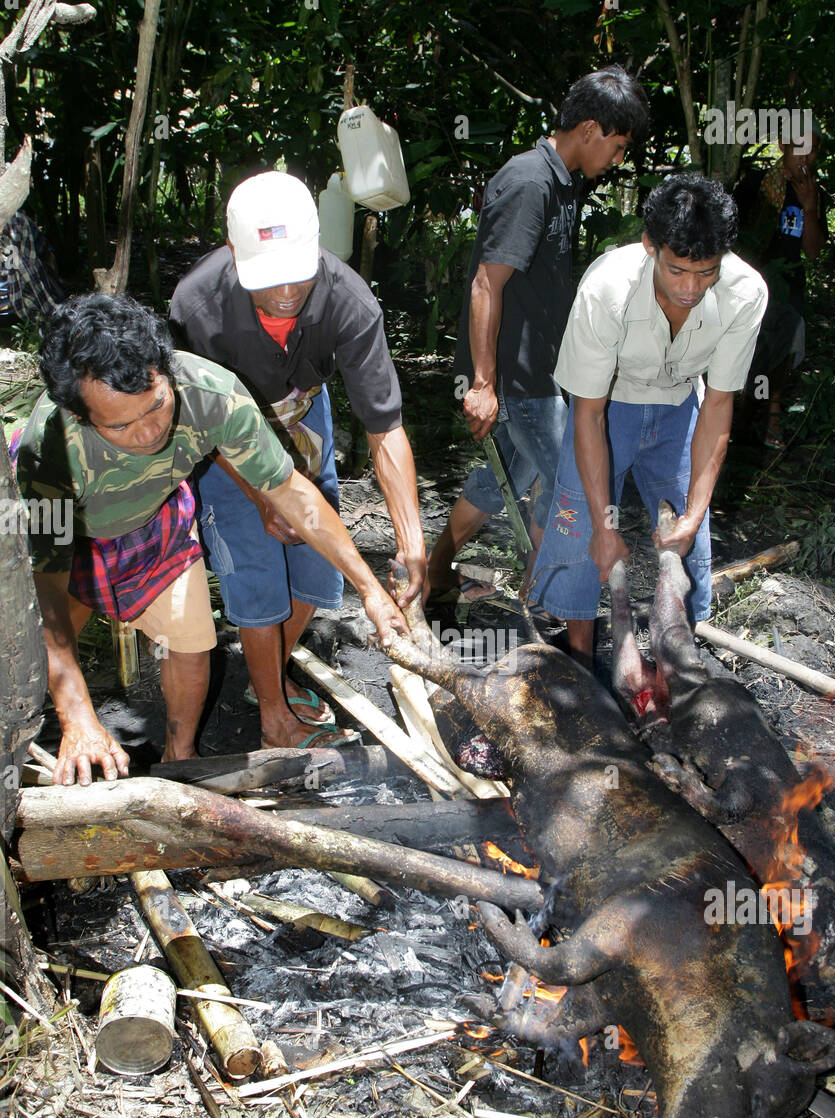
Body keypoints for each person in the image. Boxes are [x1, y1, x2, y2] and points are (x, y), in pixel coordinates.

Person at [15, 294, 408, 787]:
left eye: (157, 406)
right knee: (35, 658)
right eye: (120, 425)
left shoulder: (211, 392)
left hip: (158, 524)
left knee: (192, 642)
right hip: (77, 543)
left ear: (165, 369)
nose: (148, 431)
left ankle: (181, 763)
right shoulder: (48, 448)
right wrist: (78, 716)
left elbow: (292, 494)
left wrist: (369, 589)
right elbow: (45, 585)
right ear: (80, 414)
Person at [170, 172, 426, 750]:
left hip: (301, 414)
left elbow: (385, 429)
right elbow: (200, 423)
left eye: (298, 272)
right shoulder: (196, 305)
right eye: (268, 279)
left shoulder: (348, 299)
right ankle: (272, 716)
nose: (286, 291)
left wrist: (411, 540)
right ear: (234, 253)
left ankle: (270, 676)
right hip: (226, 434)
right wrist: (260, 493)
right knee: (258, 570)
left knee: (317, 569)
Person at [426, 65, 649, 604]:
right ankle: (545, 593)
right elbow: (485, 282)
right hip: (516, 373)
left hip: (541, 366)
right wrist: (482, 383)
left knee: (508, 472)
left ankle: (435, 572)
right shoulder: (529, 183)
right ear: (590, 130)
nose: (617, 160)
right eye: (617, 146)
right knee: (565, 478)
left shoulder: (564, 182)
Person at [531, 172, 768, 665]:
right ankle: (581, 661)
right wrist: (603, 525)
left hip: (682, 405)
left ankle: (678, 661)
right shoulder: (606, 289)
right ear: (649, 246)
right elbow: (589, 413)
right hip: (609, 405)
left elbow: (719, 405)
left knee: (689, 538)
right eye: (678, 270)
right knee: (582, 533)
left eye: (706, 273)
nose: (691, 288)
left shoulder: (746, 293)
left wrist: (695, 513)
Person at [736, 123, 825, 447]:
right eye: (803, 147)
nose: (809, 156)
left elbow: (813, 252)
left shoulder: (812, 191)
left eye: (815, 150)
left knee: (788, 344)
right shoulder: (756, 184)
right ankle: (740, 421)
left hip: (789, 287)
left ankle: (771, 415)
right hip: (752, 283)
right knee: (752, 352)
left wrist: (810, 208)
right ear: (785, 145)